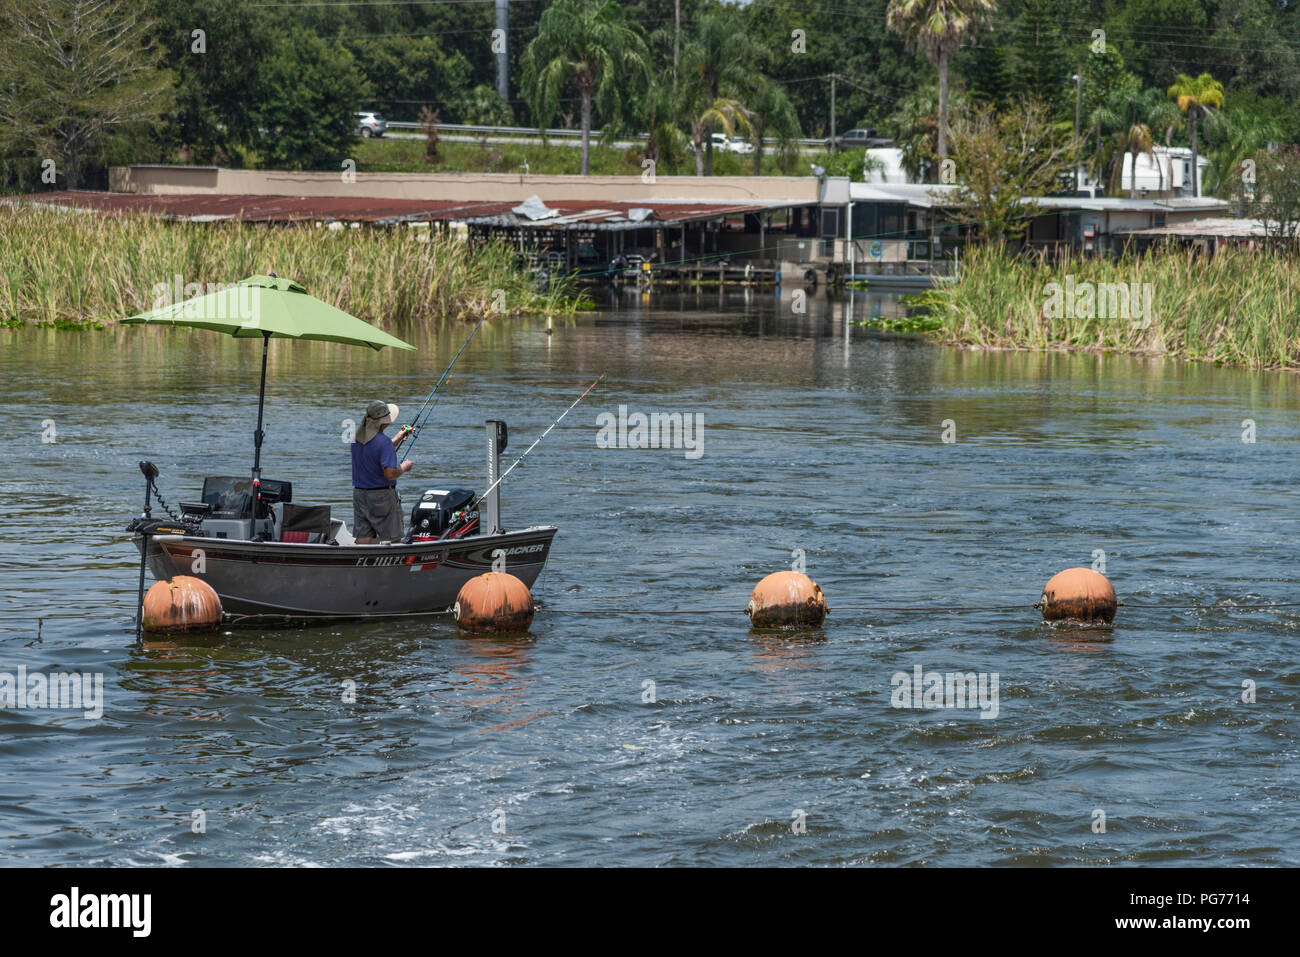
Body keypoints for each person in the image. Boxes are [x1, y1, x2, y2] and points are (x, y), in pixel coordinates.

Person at [351, 400, 413, 543]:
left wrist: (398, 438)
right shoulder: (383, 443)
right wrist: (404, 467)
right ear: (384, 422)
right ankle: (392, 565)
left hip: (359, 494)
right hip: (381, 496)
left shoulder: (357, 438)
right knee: (393, 537)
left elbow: (374, 450)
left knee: (364, 535)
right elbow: (390, 474)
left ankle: (358, 563)